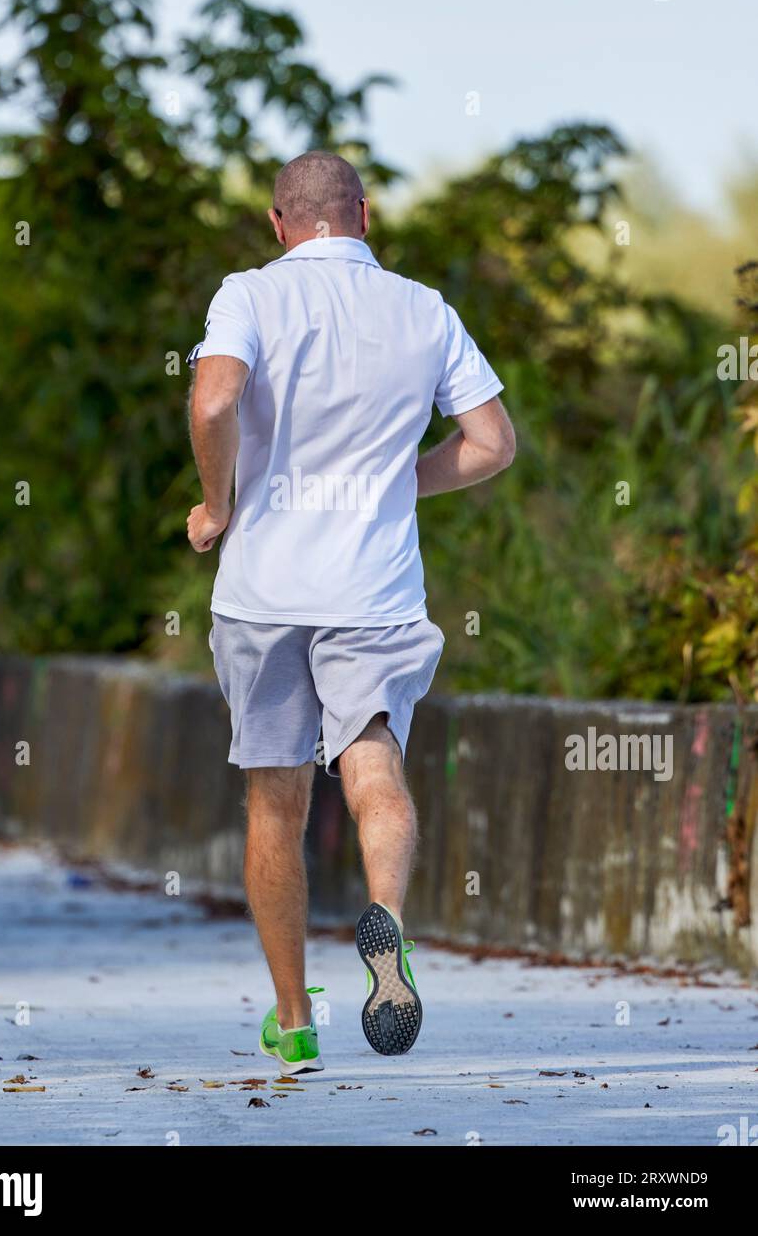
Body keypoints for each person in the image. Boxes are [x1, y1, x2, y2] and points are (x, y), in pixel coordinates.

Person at [187, 151, 515, 1073]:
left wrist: (217, 507)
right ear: (364, 218)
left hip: (262, 594)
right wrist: (401, 482)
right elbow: (492, 443)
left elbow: (214, 399)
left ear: (278, 222)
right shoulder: (423, 308)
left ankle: (293, 1017)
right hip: (371, 591)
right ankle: (390, 924)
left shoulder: (247, 294)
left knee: (273, 800)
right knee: (372, 763)